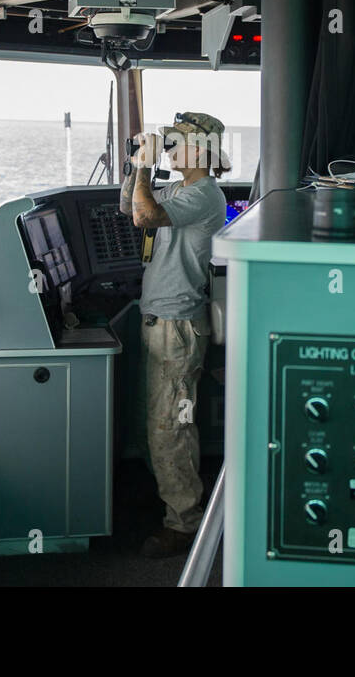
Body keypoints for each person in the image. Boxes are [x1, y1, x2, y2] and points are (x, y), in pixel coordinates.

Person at [120, 111, 228, 558]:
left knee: (172, 428)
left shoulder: (204, 194)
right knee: (156, 425)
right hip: (161, 321)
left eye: (177, 143)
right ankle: (173, 499)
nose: (169, 150)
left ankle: (184, 523)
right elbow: (132, 207)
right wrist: (135, 167)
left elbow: (147, 216)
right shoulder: (181, 189)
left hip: (177, 326)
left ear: (200, 151)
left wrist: (146, 168)